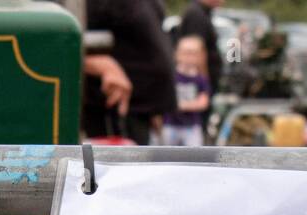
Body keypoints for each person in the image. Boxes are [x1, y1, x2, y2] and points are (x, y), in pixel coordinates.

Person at [82, 0, 175, 144]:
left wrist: (155, 107)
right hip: (114, 113)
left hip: (143, 113)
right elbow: (60, 42)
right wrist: (101, 65)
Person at [164, 35, 211, 146]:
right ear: (177, 53)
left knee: (194, 156)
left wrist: (182, 105)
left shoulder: (200, 78)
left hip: (191, 126)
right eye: (186, 53)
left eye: (193, 53)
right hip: (170, 125)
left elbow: (204, 101)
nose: (189, 57)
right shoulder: (170, 76)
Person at [177, 0, 223, 100]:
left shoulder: (201, 12)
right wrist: (204, 86)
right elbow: (195, 52)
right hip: (195, 88)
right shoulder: (196, 14)